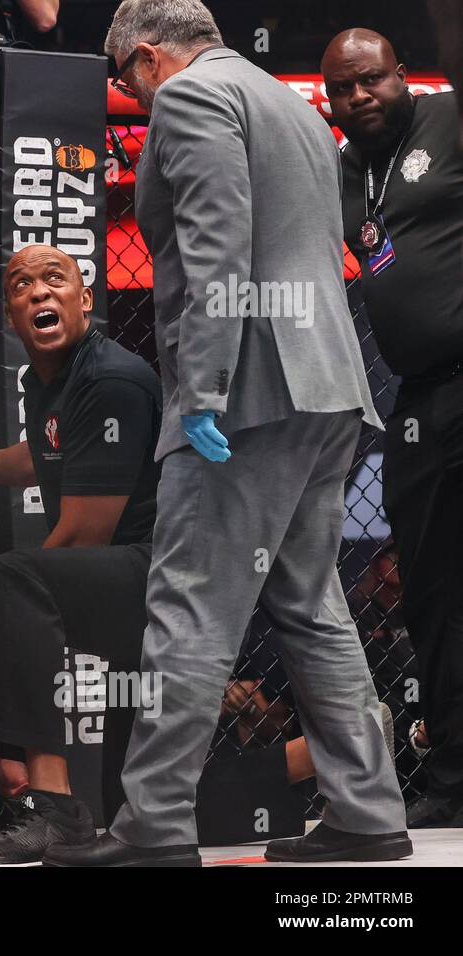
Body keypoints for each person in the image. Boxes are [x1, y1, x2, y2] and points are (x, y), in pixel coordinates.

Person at [47, 0, 408, 866]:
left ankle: (153, 829)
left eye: (122, 78)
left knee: (188, 611)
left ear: (144, 57)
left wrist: (202, 389)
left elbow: (217, 244)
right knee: (310, 605)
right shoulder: (288, 102)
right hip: (327, 388)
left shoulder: (187, 97)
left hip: (249, 392)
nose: (129, 95)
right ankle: (366, 811)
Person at [0, 243, 162, 865]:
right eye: (22, 285)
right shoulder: (45, 381)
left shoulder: (108, 379)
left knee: (13, 576)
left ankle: (51, 810)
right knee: (135, 800)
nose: (39, 292)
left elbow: (84, 538)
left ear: (86, 300)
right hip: (113, 583)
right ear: (11, 314)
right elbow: (42, 454)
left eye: (55, 279)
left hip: (157, 576)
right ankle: (328, 755)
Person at [321, 29, 463, 829]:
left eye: (372, 80)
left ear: (402, 75)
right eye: (344, 89)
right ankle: (451, 775)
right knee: (432, 591)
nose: (360, 97)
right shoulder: (344, 169)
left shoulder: (450, 120)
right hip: (417, 395)